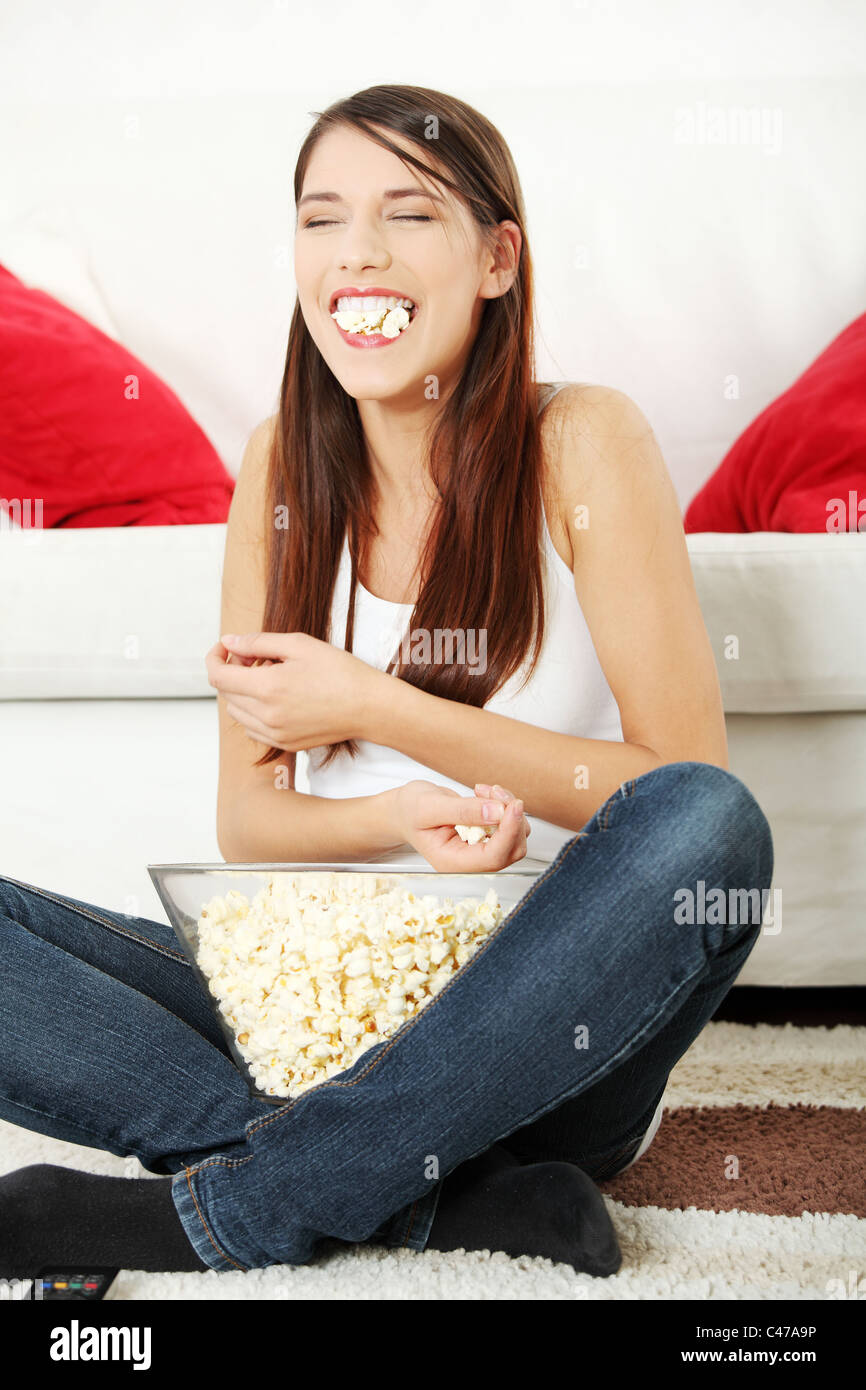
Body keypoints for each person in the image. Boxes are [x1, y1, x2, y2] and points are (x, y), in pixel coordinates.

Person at [0, 84, 773, 1280]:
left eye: (407, 214)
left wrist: (380, 709)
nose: (355, 252)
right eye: (321, 218)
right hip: (314, 1006)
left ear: (497, 258)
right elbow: (247, 820)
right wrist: (388, 817)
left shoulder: (582, 440)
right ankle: (434, 1202)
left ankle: (222, 1212)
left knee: (713, 828)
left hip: (541, 1036)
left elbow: (679, 784)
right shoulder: (278, 462)